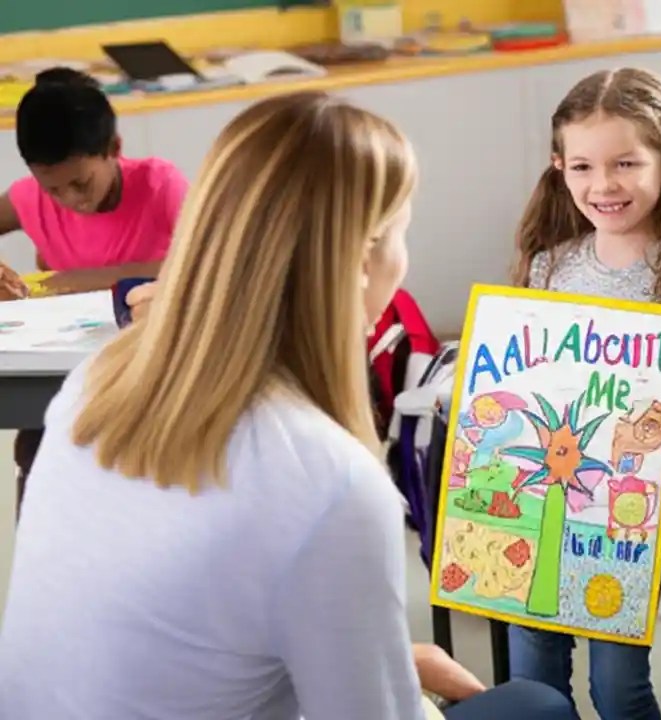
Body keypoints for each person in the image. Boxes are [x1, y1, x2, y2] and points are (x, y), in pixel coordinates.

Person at [0, 91, 571, 720]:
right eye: (400, 233)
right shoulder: (331, 483)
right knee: (535, 705)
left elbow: (188, 644)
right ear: (360, 257)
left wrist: (393, 661)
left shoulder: (94, 385)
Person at [509, 67, 661, 719]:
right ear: (559, 167)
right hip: (542, 495)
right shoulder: (548, 265)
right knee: (532, 675)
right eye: (582, 166)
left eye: (624, 163)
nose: (602, 185)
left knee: (617, 687)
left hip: (625, 507)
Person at [0, 67, 189, 515]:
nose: (70, 200)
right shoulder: (29, 198)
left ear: (114, 150)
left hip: (150, 378)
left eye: (81, 183)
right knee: (39, 459)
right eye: (54, 188)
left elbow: (206, 262)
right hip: (65, 376)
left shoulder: (160, 186)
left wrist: (84, 279)